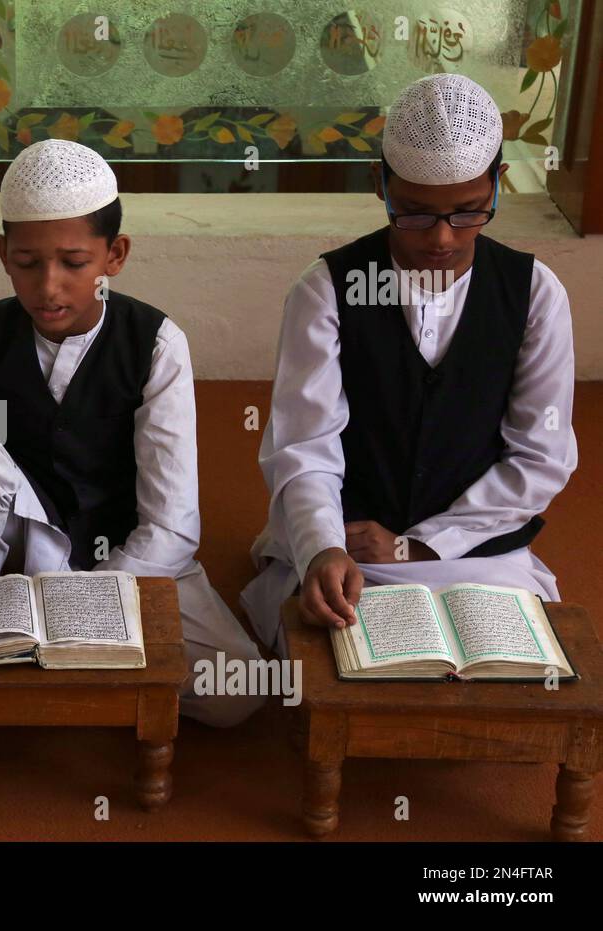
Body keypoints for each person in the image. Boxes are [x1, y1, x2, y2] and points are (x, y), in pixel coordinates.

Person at [0, 139, 266, 727]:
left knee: (237, 691)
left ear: (114, 255)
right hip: (5, 549)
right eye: (28, 262)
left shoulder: (157, 344)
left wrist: (87, 601)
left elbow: (171, 524)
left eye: (73, 262)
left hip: (129, 561)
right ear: (2, 253)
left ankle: (27, 654)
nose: (48, 286)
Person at [241, 74, 578, 656]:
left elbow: (540, 457)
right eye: (417, 214)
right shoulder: (326, 290)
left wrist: (423, 545)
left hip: (476, 550)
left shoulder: (534, 292)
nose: (443, 239)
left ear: (498, 186)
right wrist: (322, 547)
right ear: (381, 185)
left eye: (469, 212)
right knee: (328, 655)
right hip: (351, 549)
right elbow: (304, 445)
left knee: (506, 664)